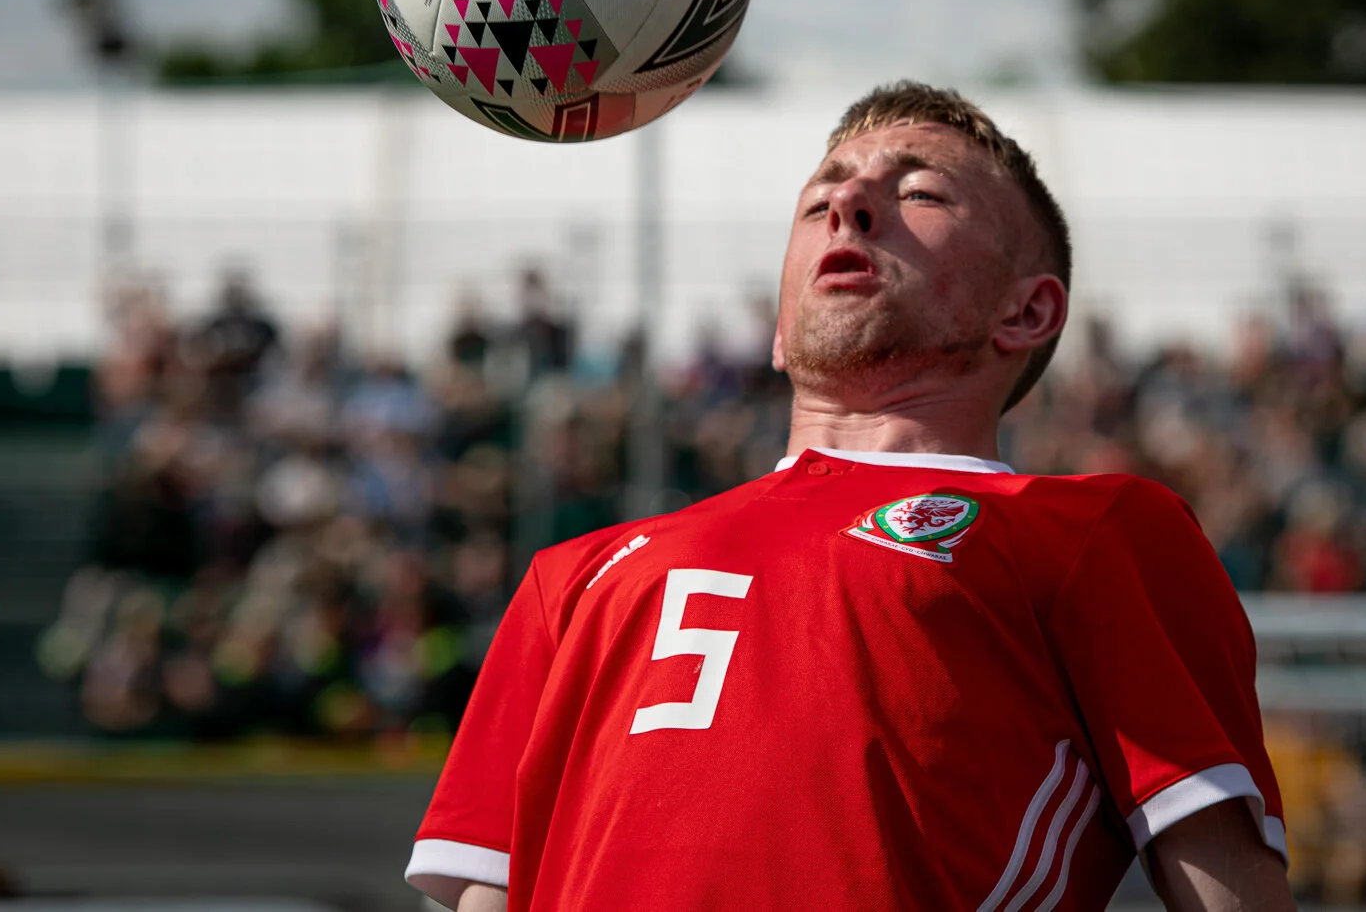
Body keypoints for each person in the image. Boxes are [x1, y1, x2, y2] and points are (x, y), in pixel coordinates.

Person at [406, 82, 1292, 912]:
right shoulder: (574, 575)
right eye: (822, 191)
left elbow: (1228, 882)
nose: (850, 200)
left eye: (922, 194)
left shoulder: (1093, 529)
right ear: (783, 328)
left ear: (1026, 312)